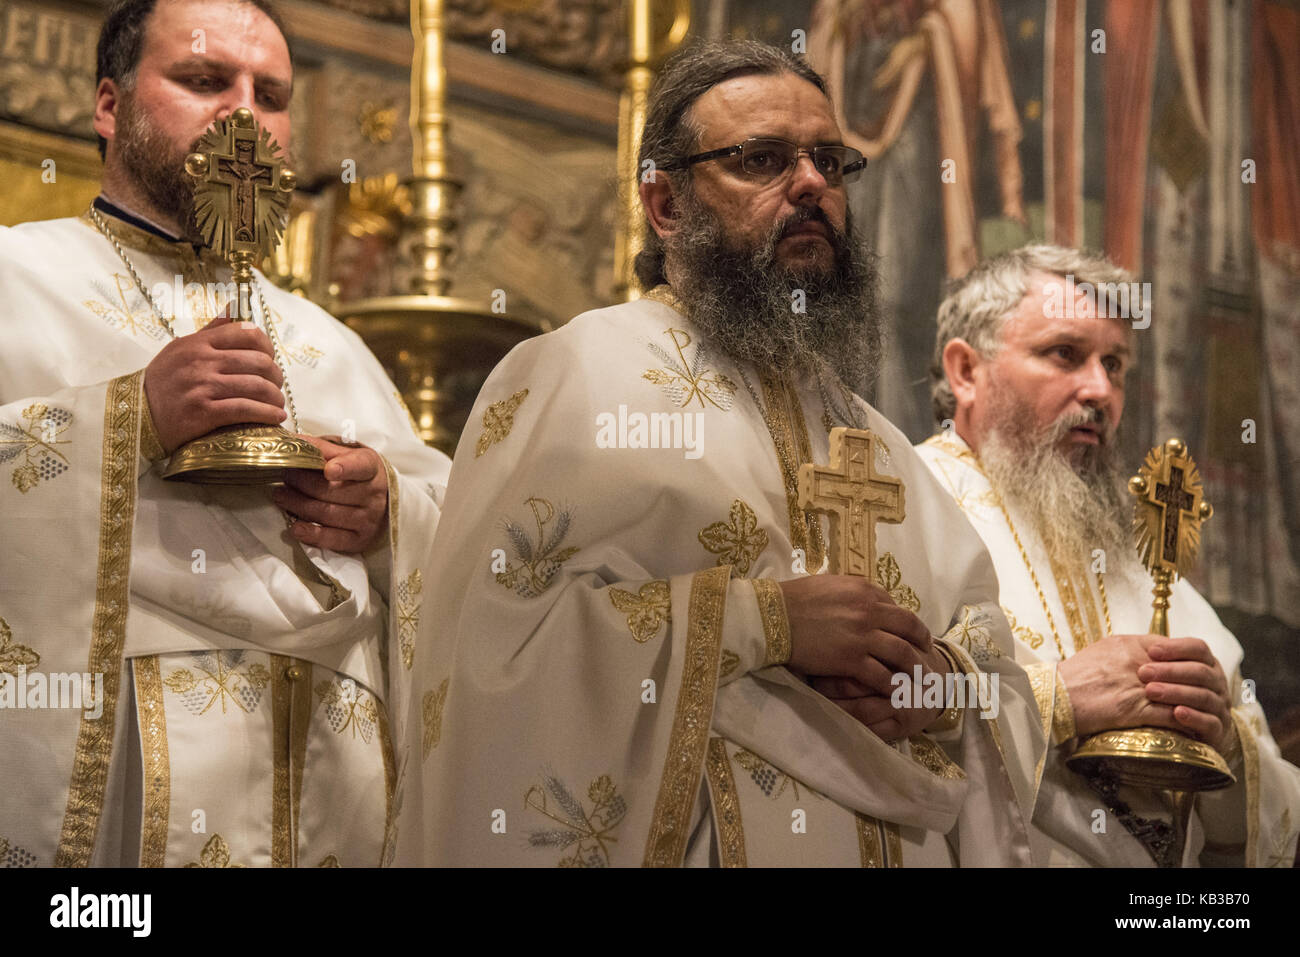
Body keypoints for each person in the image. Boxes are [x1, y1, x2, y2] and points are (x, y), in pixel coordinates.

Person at [390, 39, 1043, 867]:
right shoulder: (572, 379)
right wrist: (767, 622)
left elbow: (990, 655)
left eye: (830, 163)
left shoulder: (874, 439)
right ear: (665, 205)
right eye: (761, 160)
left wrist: (939, 685)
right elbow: (491, 655)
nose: (810, 185)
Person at [0, 0, 449, 867]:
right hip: (109, 773)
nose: (244, 115)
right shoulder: (19, 278)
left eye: (271, 95)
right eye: (205, 81)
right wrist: (128, 418)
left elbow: (471, 546)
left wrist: (389, 513)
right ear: (109, 106)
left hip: (321, 780)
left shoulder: (330, 341)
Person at [917, 243, 1300, 866]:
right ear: (965, 371)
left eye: (1115, 365)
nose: (1100, 389)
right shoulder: (907, 508)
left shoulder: (1137, 551)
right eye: (1064, 354)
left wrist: (1225, 745)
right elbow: (870, 737)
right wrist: (1055, 703)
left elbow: (1267, 816)